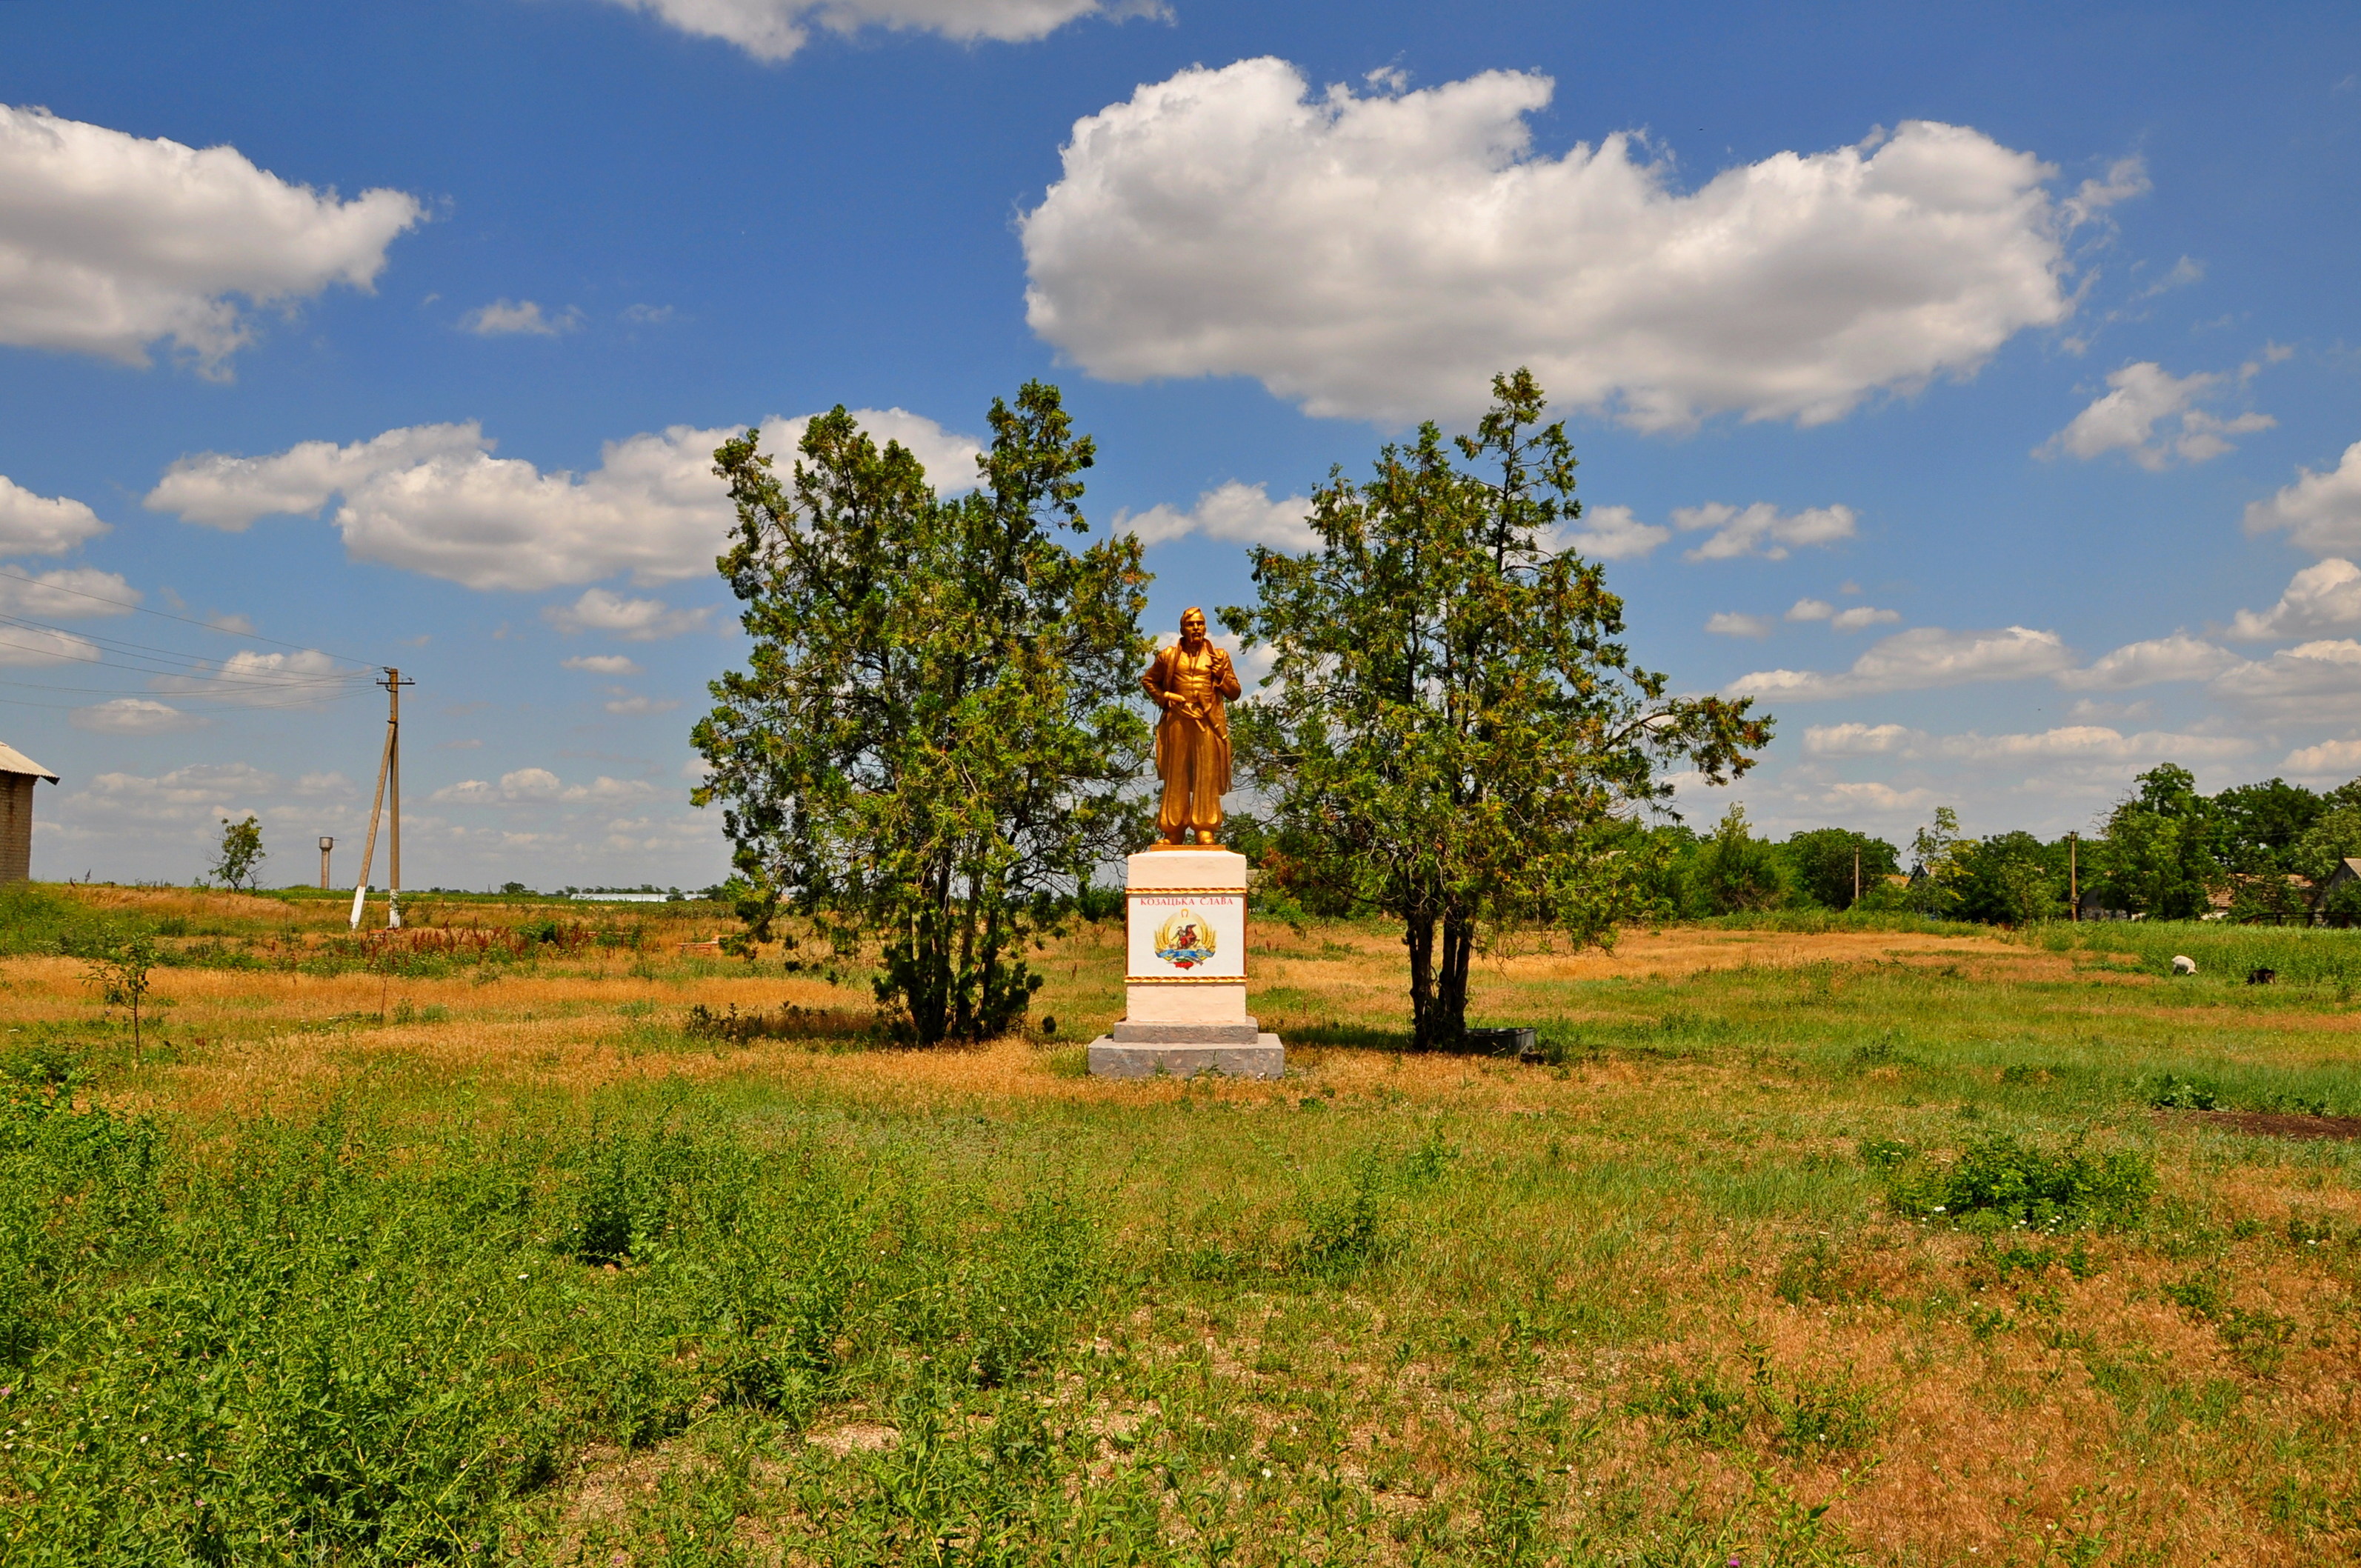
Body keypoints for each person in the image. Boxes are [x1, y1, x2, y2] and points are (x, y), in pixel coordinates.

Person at [1140, 607, 1241, 844]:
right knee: (1177, 775)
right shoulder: (1169, 655)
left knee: (1206, 775)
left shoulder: (1219, 656)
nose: (1196, 628)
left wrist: (1222, 677)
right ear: (1182, 628)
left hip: (1207, 722)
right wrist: (1167, 697)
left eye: (1200, 623)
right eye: (1191, 624)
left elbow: (1235, 693)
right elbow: (1148, 681)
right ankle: (1173, 830)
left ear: (1205, 627)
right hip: (1177, 720)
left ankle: (1204, 829)